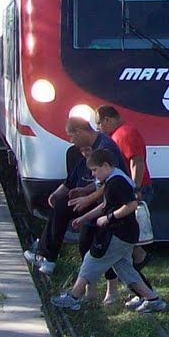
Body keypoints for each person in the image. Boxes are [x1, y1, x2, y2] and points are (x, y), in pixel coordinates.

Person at [51, 150, 168, 313]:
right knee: (125, 269)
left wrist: (109, 218)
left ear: (105, 165)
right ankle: (152, 299)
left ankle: (73, 297)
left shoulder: (117, 182)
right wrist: (83, 218)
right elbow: (106, 205)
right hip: (126, 233)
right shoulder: (112, 180)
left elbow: (131, 205)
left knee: (92, 260)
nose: (93, 174)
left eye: (94, 170)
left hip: (117, 232)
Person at [26, 115, 126, 275]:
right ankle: (48, 257)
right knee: (61, 206)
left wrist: (87, 199)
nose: (71, 141)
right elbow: (82, 181)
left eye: (71, 136)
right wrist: (78, 191)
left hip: (109, 202)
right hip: (96, 198)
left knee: (71, 215)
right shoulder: (90, 149)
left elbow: (111, 183)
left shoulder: (105, 148)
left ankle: (50, 257)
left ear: (79, 132)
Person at [95, 104, 155, 302]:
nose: (98, 128)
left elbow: (136, 162)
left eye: (99, 123)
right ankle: (140, 289)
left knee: (129, 243)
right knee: (127, 245)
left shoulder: (125, 133)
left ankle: (143, 288)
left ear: (107, 120)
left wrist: (135, 190)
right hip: (127, 191)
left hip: (136, 191)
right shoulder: (117, 134)